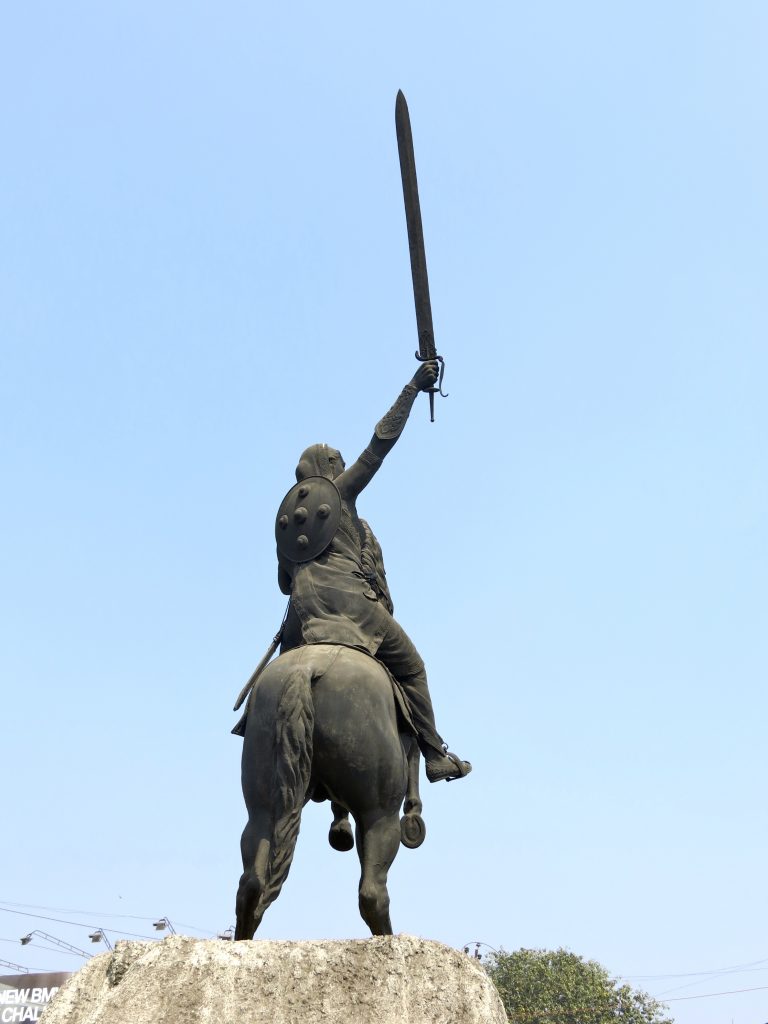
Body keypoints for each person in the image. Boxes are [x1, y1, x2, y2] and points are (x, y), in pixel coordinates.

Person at [276, 360, 471, 783]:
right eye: (338, 463)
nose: (344, 468)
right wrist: (413, 388)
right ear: (329, 469)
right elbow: (379, 445)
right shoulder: (339, 495)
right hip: (352, 606)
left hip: (302, 616)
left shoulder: (288, 521)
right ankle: (434, 755)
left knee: (281, 673)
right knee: (414, 668)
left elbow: (284, 583)